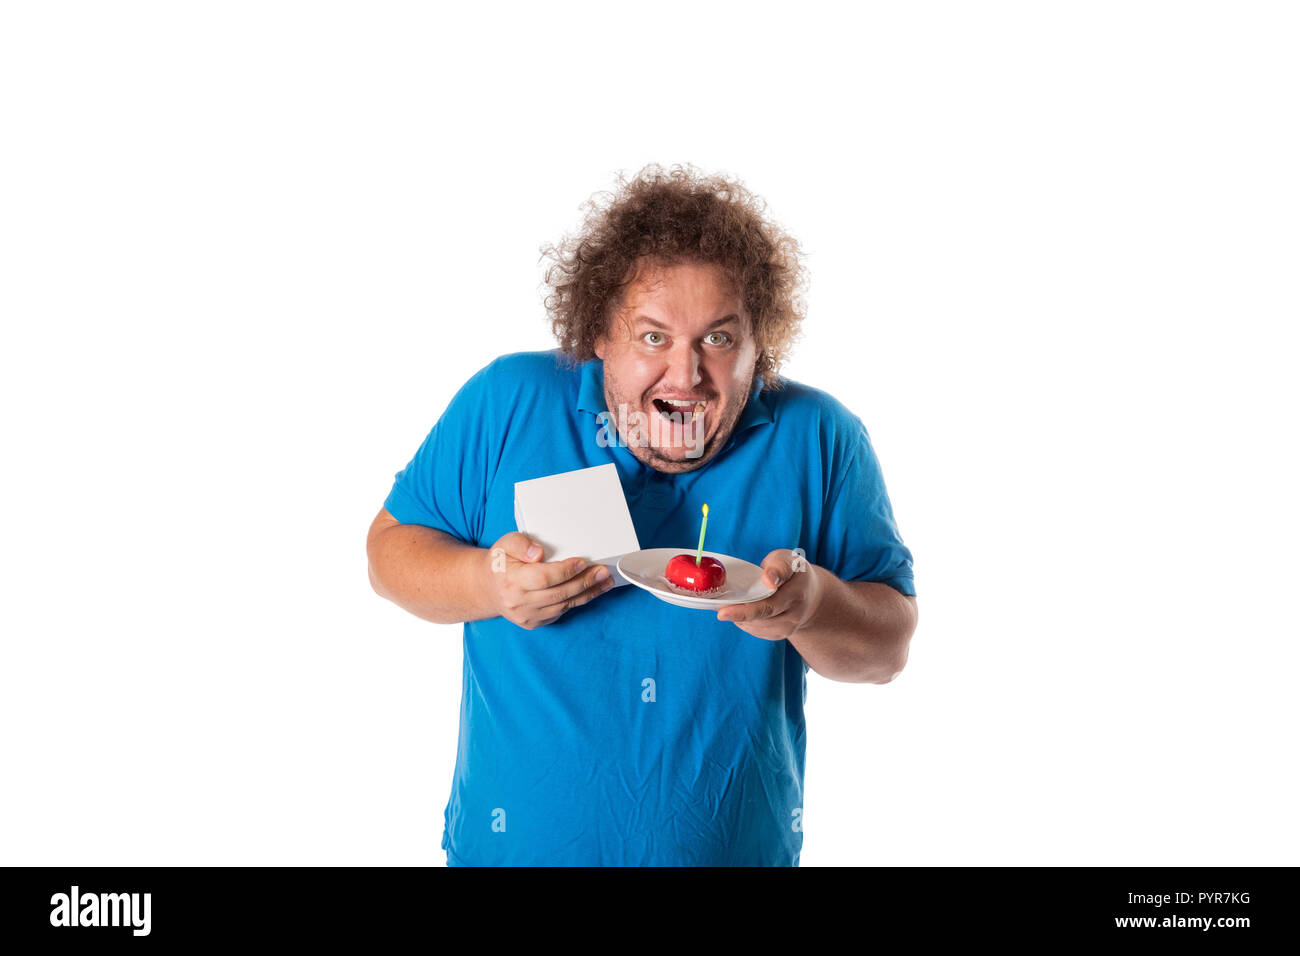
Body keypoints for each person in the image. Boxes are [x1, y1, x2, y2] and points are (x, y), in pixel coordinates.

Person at [366, 164, 918, 866]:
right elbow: (387, 553)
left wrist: (812, 608)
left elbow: (888, 653)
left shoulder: (820, 437)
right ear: (599, 332)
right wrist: (488, 582)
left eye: (718, 339)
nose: (685, 376)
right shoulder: (506, 401)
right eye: (653, 337)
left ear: (759, 347)